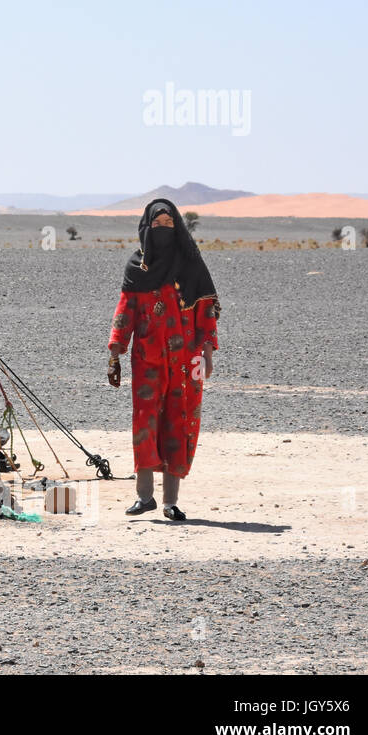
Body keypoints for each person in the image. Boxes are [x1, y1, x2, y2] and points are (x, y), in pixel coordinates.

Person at [106, 199, 220, 520]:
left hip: (187, 363)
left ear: (178, 227)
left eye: (169, 225)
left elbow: (206, 310)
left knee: (179, 424)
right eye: (157, 225)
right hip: (147, 362)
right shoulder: (137, 268)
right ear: (146, 227)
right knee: (145, 423)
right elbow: (124, 312)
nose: (163, 230)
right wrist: (115, 354)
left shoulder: (191, 265)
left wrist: (208, 354)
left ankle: (171, 502)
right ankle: (145, 497)